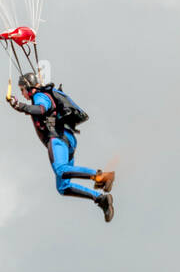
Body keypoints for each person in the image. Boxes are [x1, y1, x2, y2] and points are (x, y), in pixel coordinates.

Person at [7, 71, 115, 222]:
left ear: (28, 87)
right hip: (67, 139)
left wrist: (19, 106)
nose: (22, 94)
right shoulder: (43, 94)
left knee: (60, 170)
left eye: (22, 90)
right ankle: (100, 198)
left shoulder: (39, 96)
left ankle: (101, 176)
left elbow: (42, 109)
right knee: (63, 187)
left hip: (57, 138)